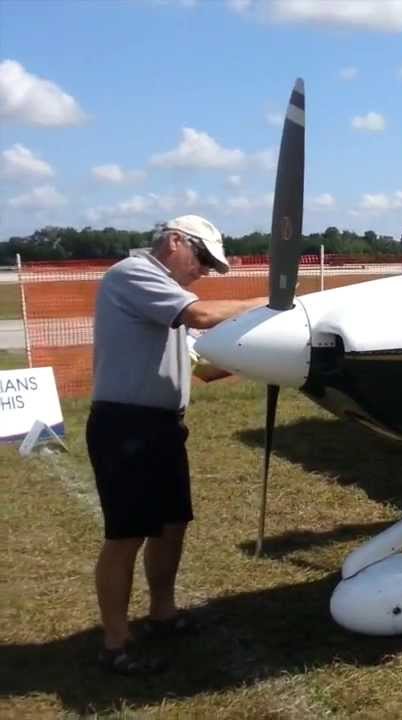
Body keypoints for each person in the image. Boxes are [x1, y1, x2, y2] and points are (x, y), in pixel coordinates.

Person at [87, 214, 266, 675]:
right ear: (174, 241)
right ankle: (115, 642)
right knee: (125, 536)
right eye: (202, 258)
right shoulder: (136, 274)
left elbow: (200, 361)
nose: (203, 270)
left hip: (163, 427)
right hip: (125, 427)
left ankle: (162, 613)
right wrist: (270, 304)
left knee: (171, 524)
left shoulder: (162, 295)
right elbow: (202, 316)